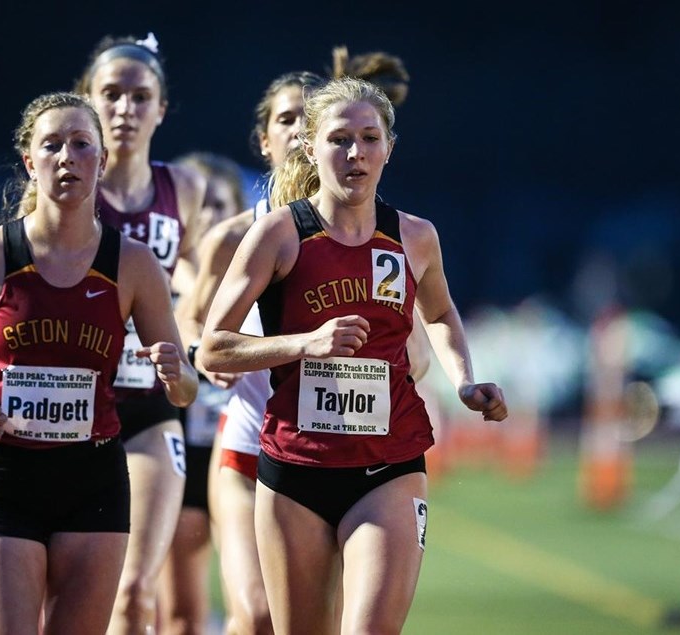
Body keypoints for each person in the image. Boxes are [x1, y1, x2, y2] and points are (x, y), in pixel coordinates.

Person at [199, 77, 508, 634]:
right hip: (295, 468)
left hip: (387, 466)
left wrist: (465, 379)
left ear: (389, 147)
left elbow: (439, 314)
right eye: (340, 138)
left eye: (369, 138)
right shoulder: (278, 234)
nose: (355, 153)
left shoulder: (414, 237)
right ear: (311, 145)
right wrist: (305, 343)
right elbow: (213, 349)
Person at [0, 91, 198, 635]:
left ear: (102, 160)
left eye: (81, 145)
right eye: (52, 145)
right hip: (5, 478)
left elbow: (184, 392)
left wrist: (176, 372)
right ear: (30, 161)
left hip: (92, 482)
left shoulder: (133, 264)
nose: (67, 157)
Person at [176, 69, 324, 635]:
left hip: (332, 458)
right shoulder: (232, 238)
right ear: (264, 140)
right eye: (287, 119)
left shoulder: (373, 242)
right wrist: (204, 356)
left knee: (313, 622)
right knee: (258, 613)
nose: (299, 130)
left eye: (312, 118)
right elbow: (195, 321)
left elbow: (414, 348)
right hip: (244, 451)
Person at [73, 32, 207, 634]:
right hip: (73, 410)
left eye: (139, 95)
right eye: (111, 94)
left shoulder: (186, 189)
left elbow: (201, 284)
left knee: (134, 590)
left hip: (151, 409)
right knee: (75, 596)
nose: (125, 108)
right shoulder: (66, 185)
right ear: (88, 99)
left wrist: (200, 340)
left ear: (161, 108)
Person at [157, 151, 245, 634]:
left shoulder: (263, 277)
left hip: (243, 451)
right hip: (180, 452)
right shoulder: (155, 280)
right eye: (201, 205)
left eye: (221, 205)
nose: (210, 217)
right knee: (180, 615)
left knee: (251, 611)